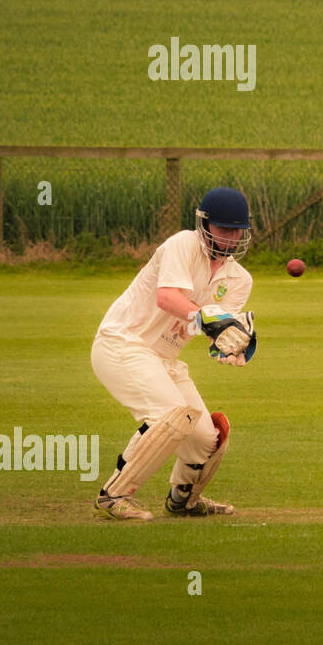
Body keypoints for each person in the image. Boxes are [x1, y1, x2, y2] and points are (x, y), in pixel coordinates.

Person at [91, 187, 257, 520]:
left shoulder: (240, 279)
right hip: (122, 342)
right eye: (225, 229)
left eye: (238, 230)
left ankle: (184, 500)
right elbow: (167, 298)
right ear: (205, 225)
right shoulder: (182, 244)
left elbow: (212, 329)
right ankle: (114, 495)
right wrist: (206, 318)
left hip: (164, 359)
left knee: (205, 439)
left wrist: (230, 346)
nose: (232, 237)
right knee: (171, 414)